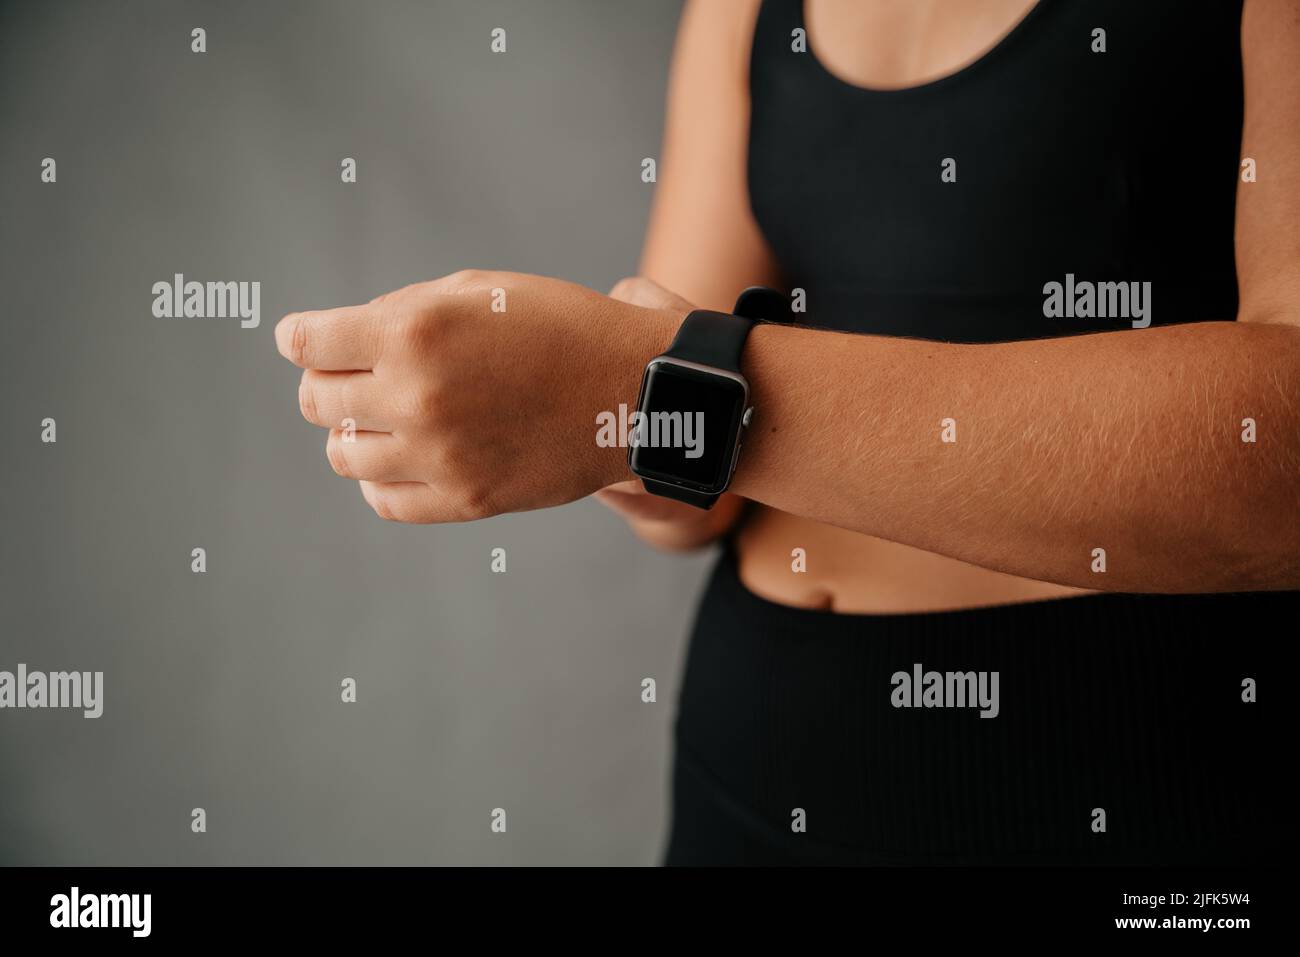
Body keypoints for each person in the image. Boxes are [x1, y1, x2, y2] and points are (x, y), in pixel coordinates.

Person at [276, 0, 1298, 865]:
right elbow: (690, 503)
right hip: (761, 762)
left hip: (1130, 749)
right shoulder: (742, 9)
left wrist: (644, 390)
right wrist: (607, 426)